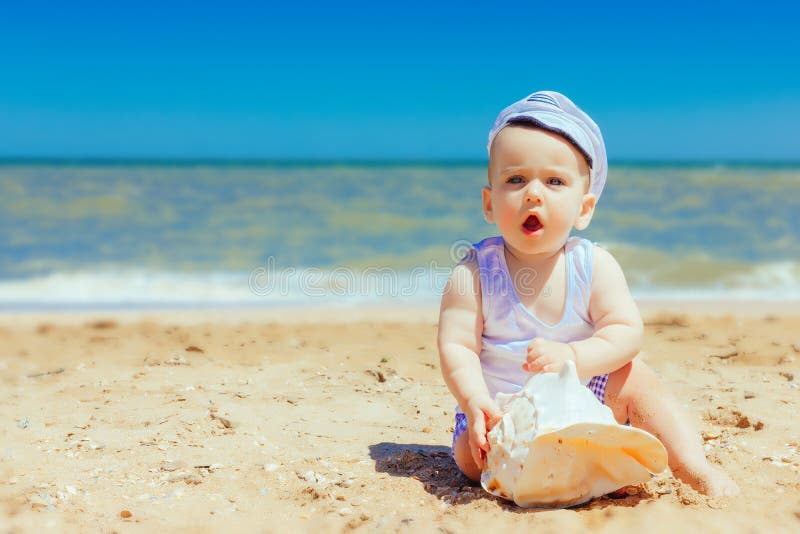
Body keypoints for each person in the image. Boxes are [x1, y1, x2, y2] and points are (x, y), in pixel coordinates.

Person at [437, 91, 739, 497]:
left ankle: (694, 468)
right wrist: (475, 401)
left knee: (637, 379)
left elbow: (626, 332)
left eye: (555, 181)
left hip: (582, 406)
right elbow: (457, 345)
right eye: (515, 179)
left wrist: (576, 358)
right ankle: (566, 469)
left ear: (584, 207)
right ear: (489, 203)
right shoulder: (474, 270)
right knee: (467, 459)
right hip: (501, 413)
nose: (533, 193)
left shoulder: (593, 266)